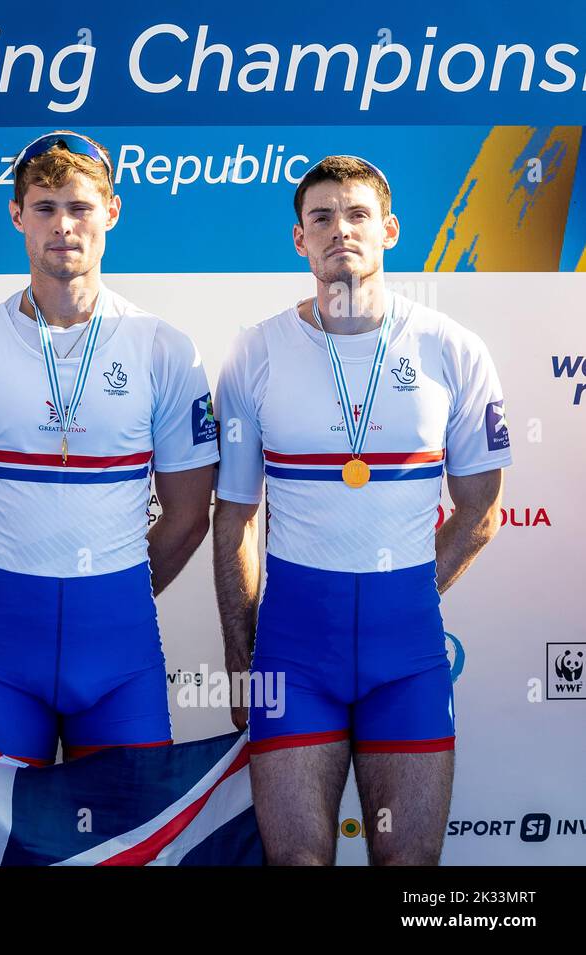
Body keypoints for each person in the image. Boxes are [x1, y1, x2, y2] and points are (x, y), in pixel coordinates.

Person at [213, 155, 509, 865]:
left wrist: (404, 596)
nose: (340, 230)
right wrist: (240, 657)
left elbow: (480, 511)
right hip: (291, 656)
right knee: (297, 861)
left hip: (407, 657)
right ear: (300, 239)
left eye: (357, 214)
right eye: (321, 217)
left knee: (408, 867)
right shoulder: (256, 351)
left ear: (389, 230)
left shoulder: (452, 349)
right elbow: (236, 518)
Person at [0, 131, 218, 765]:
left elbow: (191, 514)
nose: (63, 226)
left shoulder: (163, 348)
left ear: (111, 211)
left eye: (80, 207)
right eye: (45, 207)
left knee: (128, 823)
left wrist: (113, 596)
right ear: (17, 215)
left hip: (121, 657)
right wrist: (6, 594)